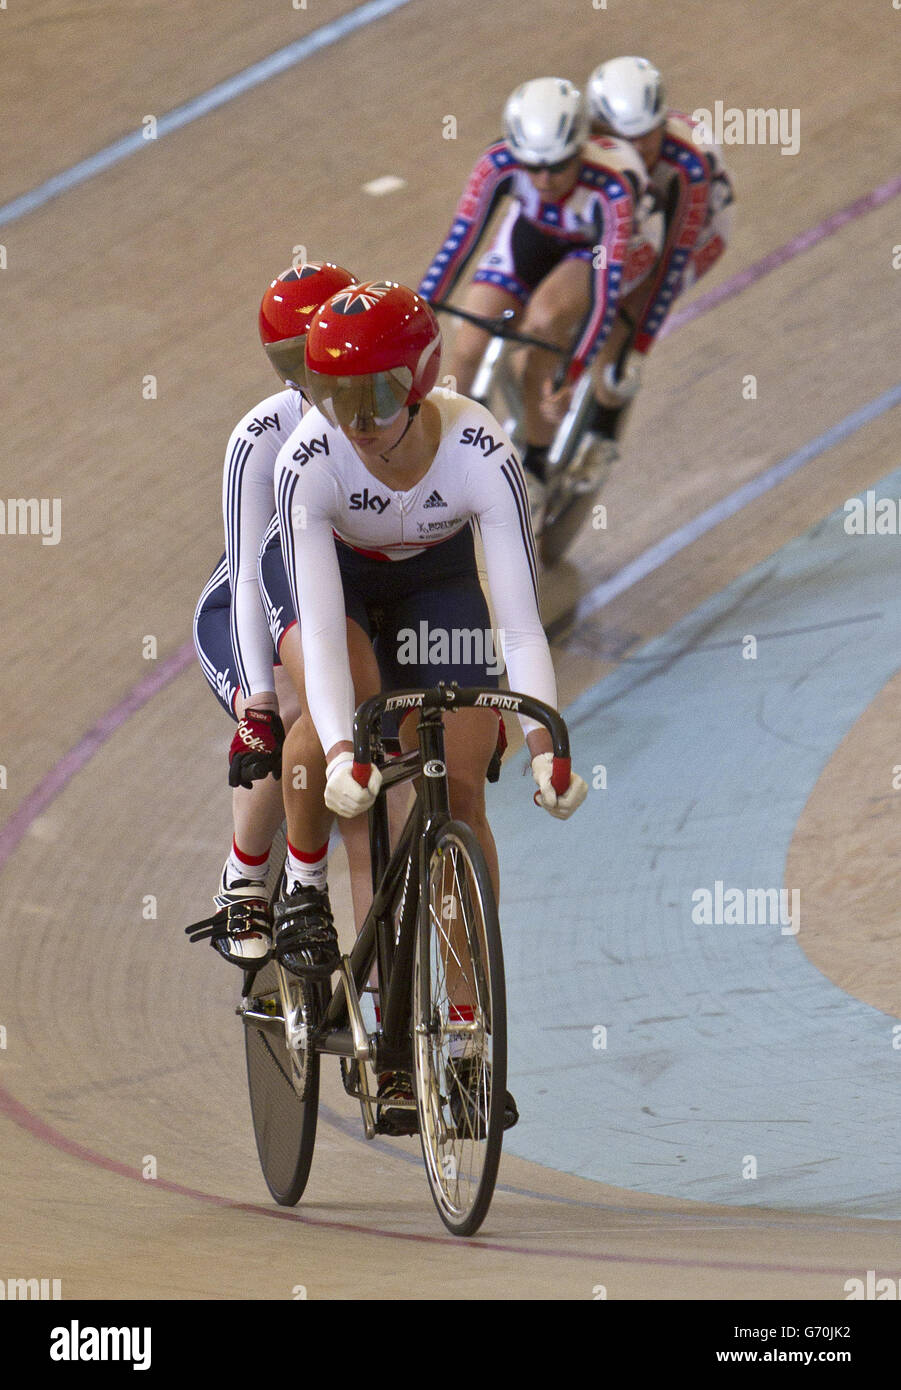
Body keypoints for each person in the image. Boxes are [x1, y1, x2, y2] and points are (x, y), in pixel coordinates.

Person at [272, 279, 589, 1130]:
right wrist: (342, 751)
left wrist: (548, 742)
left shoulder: (480, 449)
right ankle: (313, 910)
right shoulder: (309, 457)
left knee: (459, 787)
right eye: (338, 396)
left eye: (376, 395)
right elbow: (324, 639)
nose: (359, 419)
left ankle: (460, 1027)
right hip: (337, 585)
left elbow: (519, 625)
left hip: (432, 588)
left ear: (419, 378)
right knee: (353, 743)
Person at [191, 260, 382, 966]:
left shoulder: (385, 417)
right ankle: (246, 872)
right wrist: (256, 710)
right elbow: (245, 577)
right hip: (247, 607)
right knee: (299, 714)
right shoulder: (261, 437)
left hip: (341, 593)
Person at [417, 76, 662, 512]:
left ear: (581, 150)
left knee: (544, 324)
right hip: (532, 236)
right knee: (469, 343)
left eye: (559, 166)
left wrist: (571, 369)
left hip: (593, 251)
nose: (545, 179)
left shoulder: (612, 184)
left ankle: (535, 464)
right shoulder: (498, 163)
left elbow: (605, 291)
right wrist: (420, 309)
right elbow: (461, 242)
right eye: (534, 167)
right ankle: (449, 445)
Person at [584, 56, 735, 442]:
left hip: (695, 230)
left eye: (646, 135)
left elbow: (669, 267)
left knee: (630, 307)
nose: (636, 148)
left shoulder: (687, 165)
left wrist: (637, 347)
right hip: (639, 218)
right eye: (624, 137)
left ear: (662, 123)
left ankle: (604, 430)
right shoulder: (586, 143)